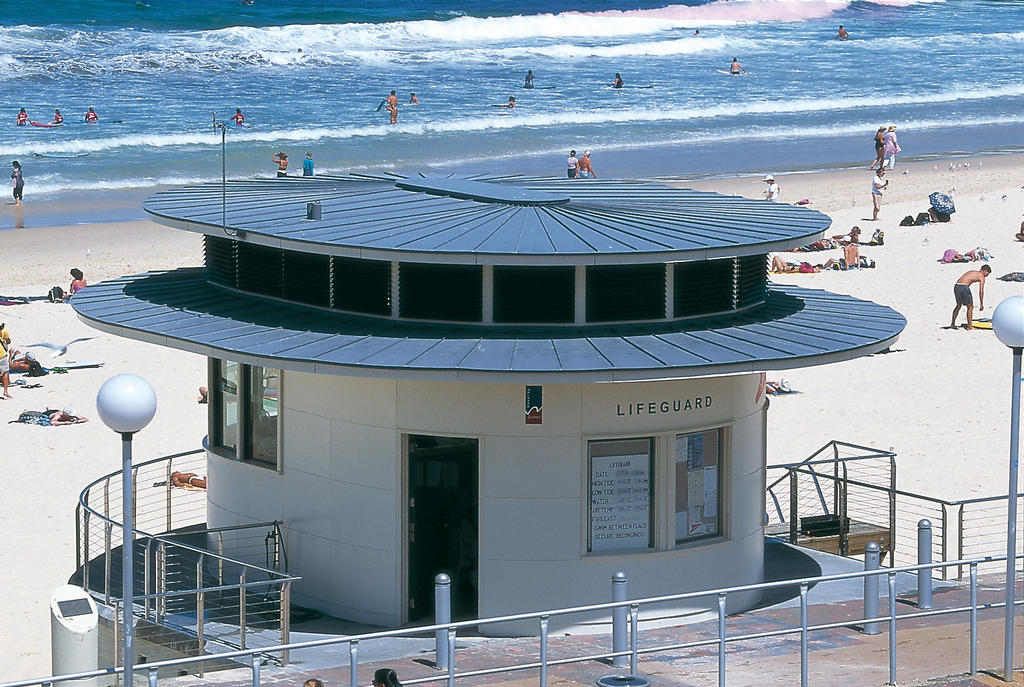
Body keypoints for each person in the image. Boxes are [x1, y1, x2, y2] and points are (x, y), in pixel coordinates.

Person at [950, 265, 990, 330]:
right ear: (984, 271)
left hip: (956, 286)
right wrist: (981, 304)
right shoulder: (981, 276)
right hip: (964, 287)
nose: (987, 276)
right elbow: (981, 291)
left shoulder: (973, 271)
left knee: (958, 305)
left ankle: (952, 324)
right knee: (970, 307)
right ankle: (970, 326)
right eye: (987, 274)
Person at [0, 325, 11, 399]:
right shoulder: (3, 331)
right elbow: (8, 341)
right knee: (5, 372)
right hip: (2, 355)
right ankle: (5, 391)